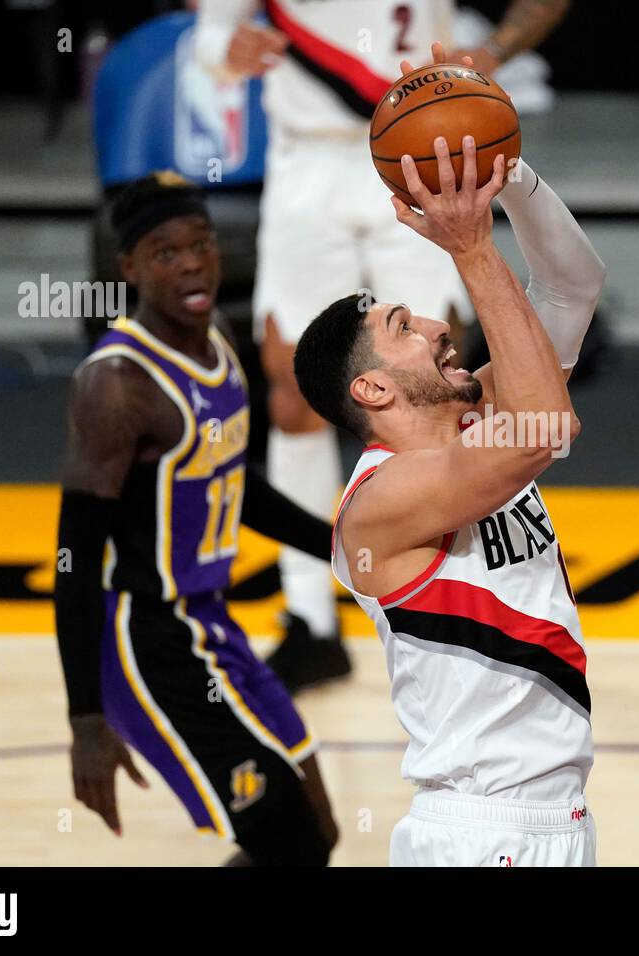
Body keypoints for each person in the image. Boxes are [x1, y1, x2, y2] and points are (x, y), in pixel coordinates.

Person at [193, 0, 572, 690]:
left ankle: (469, 597)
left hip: (419, 155)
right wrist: (228, 51)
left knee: (439, 388)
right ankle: (310, 618)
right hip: (305, 160)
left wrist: (490, 57)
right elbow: (212, 36)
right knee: (292, 398)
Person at [292, 46, 605, 864]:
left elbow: (571, 287)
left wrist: (504, 170)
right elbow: (543, 432)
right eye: (404, 327)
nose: (438, 325)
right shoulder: (378, 508)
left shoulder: (478, 425)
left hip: (553, 817)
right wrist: (469, 249)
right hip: (480, 829)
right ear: (371, 392)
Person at [54, 172, 338, 865]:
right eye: (165, 252)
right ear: (128, 267)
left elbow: (234, 481)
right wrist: (86, 719)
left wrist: (341, 546)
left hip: (213, 627)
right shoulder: (116, 384)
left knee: (316, 833)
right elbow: (74, 561)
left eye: (201, 245)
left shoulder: (216, 337)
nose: (190, 263)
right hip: (148, 644)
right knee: (289, 844)